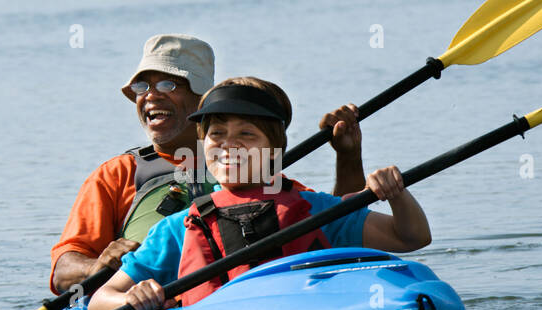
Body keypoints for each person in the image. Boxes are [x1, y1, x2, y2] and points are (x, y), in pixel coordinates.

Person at [87, 76, 431, 310]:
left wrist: (397, 194)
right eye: (217, 135)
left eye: (246, 135)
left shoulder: (314, 208)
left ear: (273, 150)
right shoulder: (177, 229)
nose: (228, 145)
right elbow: (99, 301)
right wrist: (133, 297)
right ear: (203, 145)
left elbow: (411, 236)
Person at [50, 35, 366, 294]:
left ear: (203, 100)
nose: (150, 97)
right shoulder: (118, 174)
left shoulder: (244, 165)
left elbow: (338, 227)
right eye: (142, 88)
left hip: (233, 302)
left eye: (167, 86)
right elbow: (62, 272)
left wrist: (347, 157)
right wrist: (99, 267)